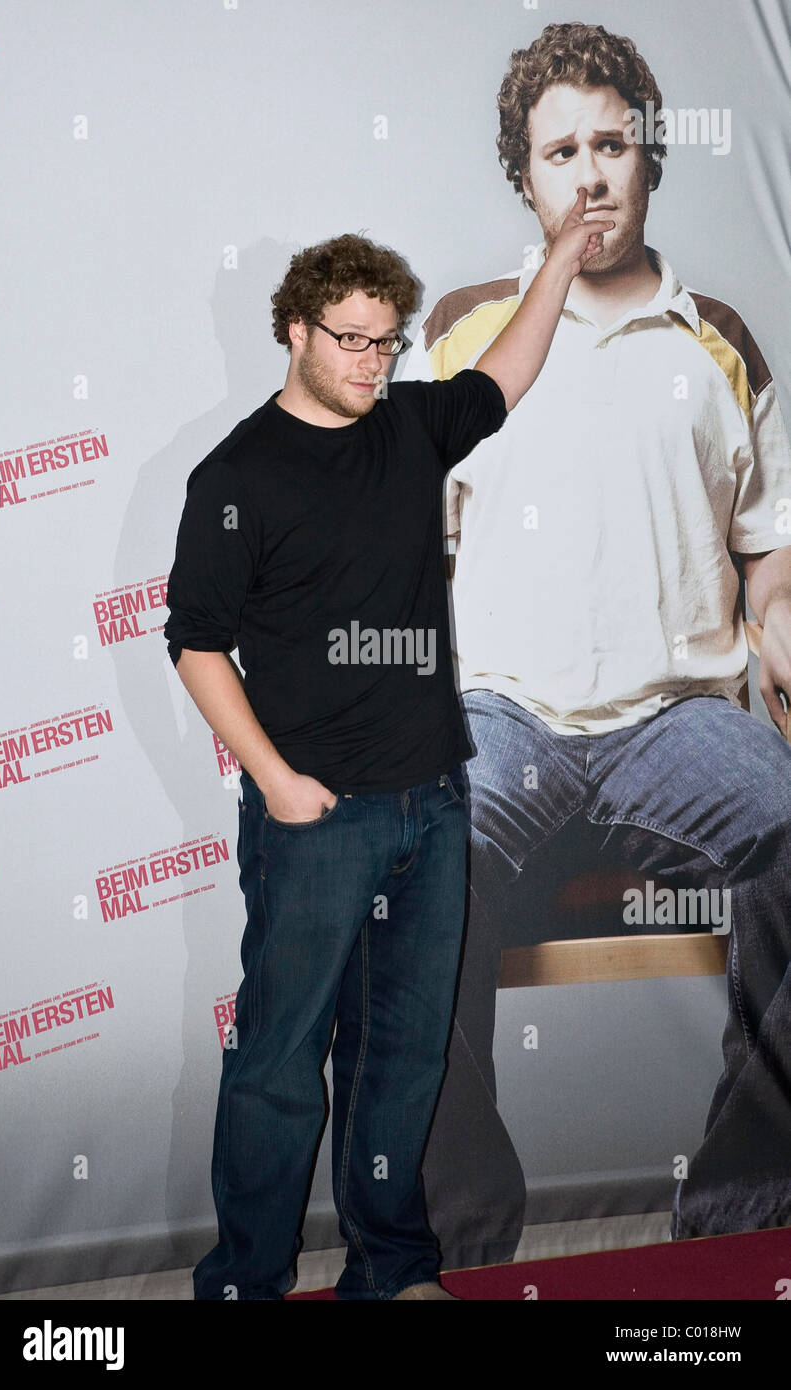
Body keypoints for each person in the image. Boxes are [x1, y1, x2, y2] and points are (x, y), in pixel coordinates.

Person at [162, 212, 612, 1300]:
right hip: (315, 820)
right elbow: (194, 641)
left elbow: (503, 374)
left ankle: (392, 1269)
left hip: (431, 802)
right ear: (294, 332)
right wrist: (276, 781)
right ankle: (245, 1284)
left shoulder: (408, 425)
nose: (371, 361)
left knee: (404, 1059)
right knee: (275, 1070)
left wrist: (553, 262)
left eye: (385, 341)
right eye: (350, 339)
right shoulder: (236, 476)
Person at [402, 20, 791, 1270]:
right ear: (525, 177)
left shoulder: (717, 338)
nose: (587, 172)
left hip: (673, 724)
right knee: (408, 864)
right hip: (504, 718)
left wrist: (775, 628)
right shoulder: (464, 333)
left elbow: (764, 551)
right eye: (558, 149)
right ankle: (464, 1247)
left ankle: (734, 1219)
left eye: (609, 143)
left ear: (646, 157)